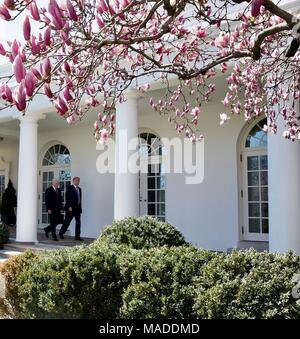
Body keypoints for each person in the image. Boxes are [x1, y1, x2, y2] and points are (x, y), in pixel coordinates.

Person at [59, 177, 83, 241]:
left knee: (78, 222)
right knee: (67, 222)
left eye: (78, 181)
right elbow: (67, 197)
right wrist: (69, 206)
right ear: (73, 181)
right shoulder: (69, 188)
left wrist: (80, 207)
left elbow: (79, 199)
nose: (78, 182)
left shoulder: (79, 189)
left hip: (77, 208)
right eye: (76, 181)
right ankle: (61, 233)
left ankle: (77, 236)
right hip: (71, 208)